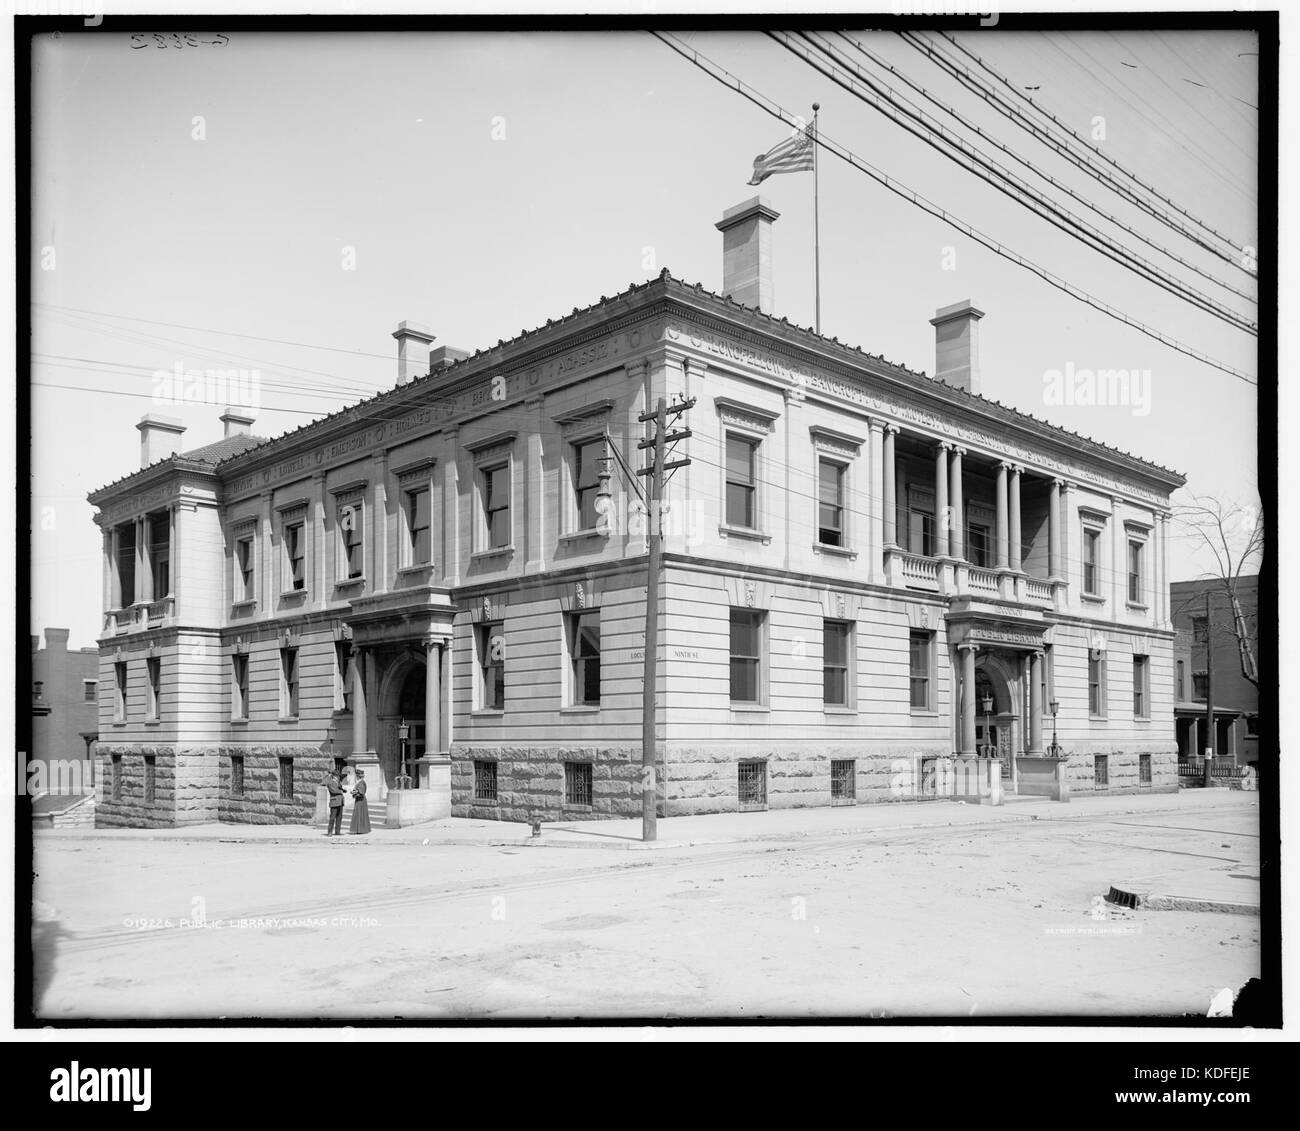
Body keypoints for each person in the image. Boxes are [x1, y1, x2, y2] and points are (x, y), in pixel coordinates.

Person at [349, 768, 371, 835]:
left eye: (357, 775)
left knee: (360, 814)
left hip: (361, 800)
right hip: (359, 800)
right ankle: (358, 829)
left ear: (358, 776)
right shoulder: (359, 782)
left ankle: (361, 829)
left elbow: (361, 792)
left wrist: (354, 793)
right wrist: (354, 792)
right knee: (358, 814)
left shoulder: (361, 783)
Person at [325, 770, 345, 836]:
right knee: (332, 817)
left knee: (339, 817)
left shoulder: (338, 782)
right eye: (337, 776)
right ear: (334, 776)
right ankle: (329, 832)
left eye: (338, 776)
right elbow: (333, 791)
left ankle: (337, 831)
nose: (338, 777)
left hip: (340, 801)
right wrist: (341, 791)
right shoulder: (330, 783)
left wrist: (343, 790)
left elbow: (340, 789)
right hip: (334, 801)